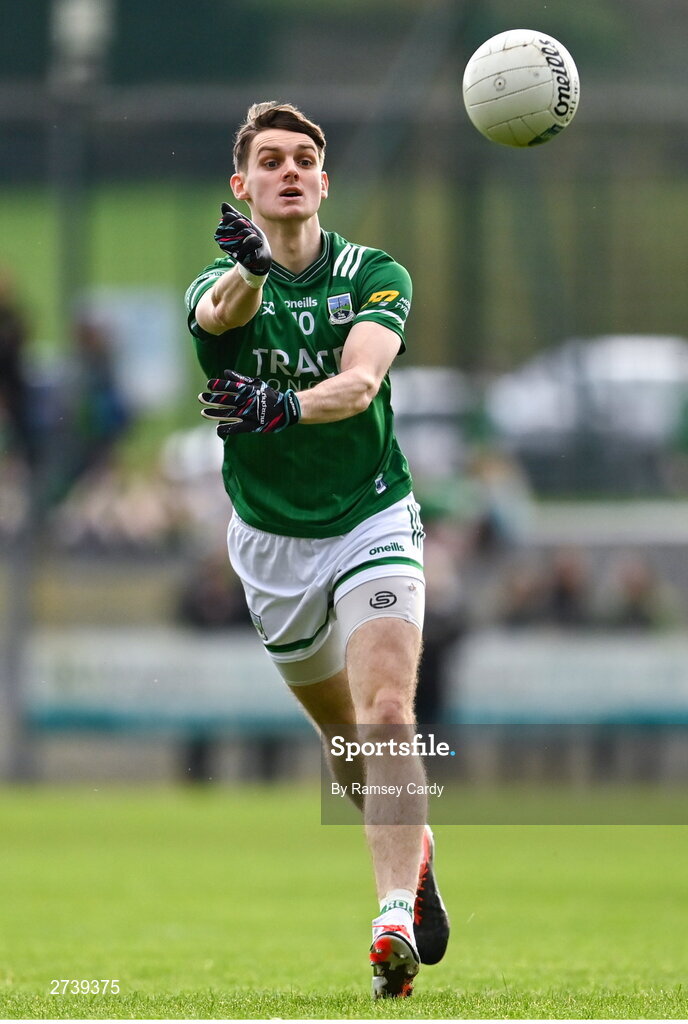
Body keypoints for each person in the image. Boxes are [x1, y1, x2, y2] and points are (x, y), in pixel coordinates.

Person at [184, 101, 449, 998]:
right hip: (270, 542)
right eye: (270, 160)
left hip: (372, 514)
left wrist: (284, 405)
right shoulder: (212, 287)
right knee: (344, 746)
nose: (289, 171)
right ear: (243, 187)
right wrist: (249, 268)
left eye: (305, 159)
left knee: (385, 715)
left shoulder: (375, 273)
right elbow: (226, 311)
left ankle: (389, 921)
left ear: (324, 183)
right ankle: (417, 859)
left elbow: (363, 377)